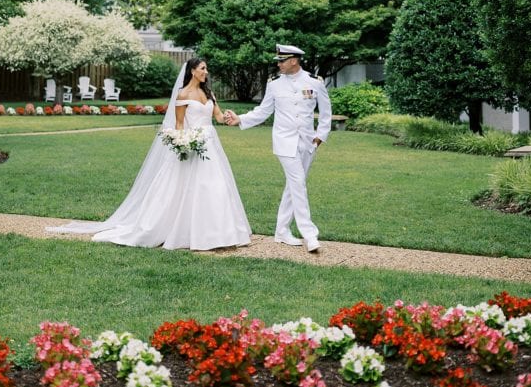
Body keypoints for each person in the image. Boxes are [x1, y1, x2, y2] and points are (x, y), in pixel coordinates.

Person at [47, 58, 251, 250]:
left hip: (211, 144)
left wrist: (231, 116)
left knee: (215, 185)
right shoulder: (182, 95)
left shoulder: (209, 94)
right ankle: (182, 231)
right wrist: (182, 143)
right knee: (187, 187)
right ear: (192, 71)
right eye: (202, 68)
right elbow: (179, 123)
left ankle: (218, 233)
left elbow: (218, 117)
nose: (206, 72)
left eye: (206, 69)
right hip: (192, 143)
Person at [225, 44, 331, 253]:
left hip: (308, 143)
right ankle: (309, 234)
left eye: (282, 61)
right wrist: (240, 119)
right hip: (284, 142)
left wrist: (320, 137)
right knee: (298, 183)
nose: (279, 64)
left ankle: (282, 230)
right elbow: (263, 111)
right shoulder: (274, 84)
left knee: (293, 186)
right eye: (278, 61)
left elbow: (326, 112)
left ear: (294, 61)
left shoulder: (314, 82)